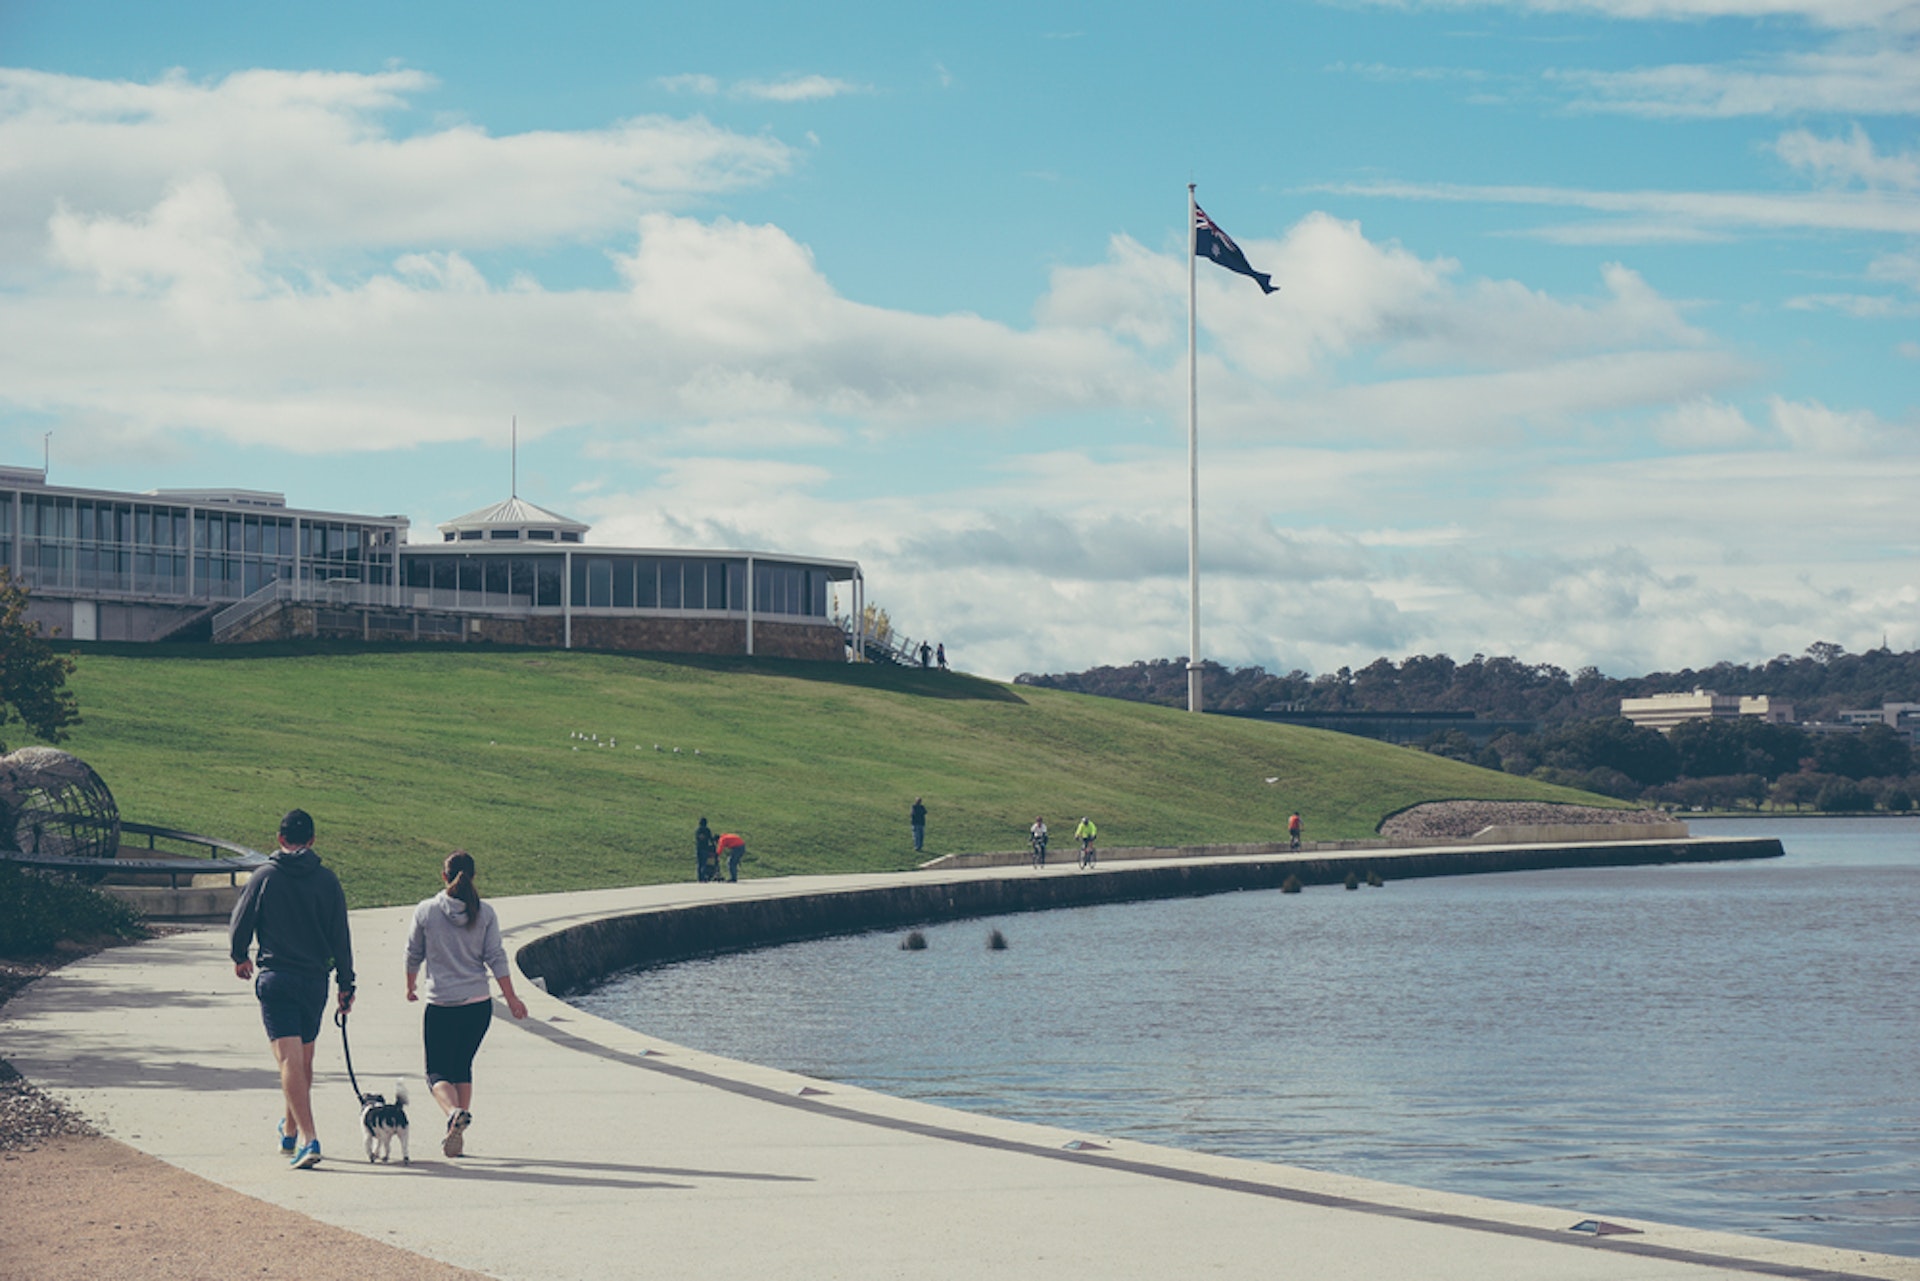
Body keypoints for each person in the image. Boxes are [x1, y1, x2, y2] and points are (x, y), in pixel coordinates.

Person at [228, 808, 355, 1171]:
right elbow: (340, 937)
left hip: (278, 978)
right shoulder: (328, 881)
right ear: (313, 840)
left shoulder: (265, 876)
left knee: (289, 1061)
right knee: (303, 1060)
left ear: (280, 839)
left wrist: (239, 955)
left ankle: (308, 1138)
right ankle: (288, 1129)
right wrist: (347, 983)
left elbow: (242, 920)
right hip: (314, 982)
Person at [405, 850, 528, 1158]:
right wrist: (511, 998)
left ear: (444, 876)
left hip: (442, 1004)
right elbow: (496, 956)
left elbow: (413, 953)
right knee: (462, 1066)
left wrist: (410, 986)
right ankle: (456, 1129)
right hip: (478, 1005)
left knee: (436, 1072)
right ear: (473, 877)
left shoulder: (426, 910)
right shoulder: (484, 912)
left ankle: (453, 1115)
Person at [695, 817, 717, 882]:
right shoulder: (707, 830)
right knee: (704, 863)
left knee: (699, 863)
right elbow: (710, 839)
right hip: (705, 848)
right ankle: (703, 877)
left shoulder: (697, 830)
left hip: (698, 848)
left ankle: (699, 878)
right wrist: (714, 843)